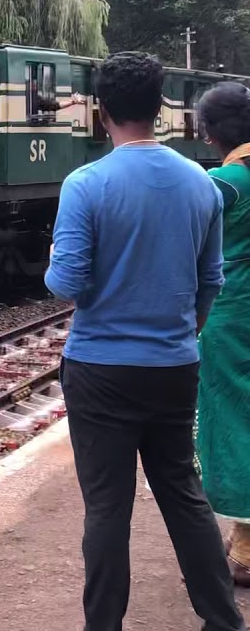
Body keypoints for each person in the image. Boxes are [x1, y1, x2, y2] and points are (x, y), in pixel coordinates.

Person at [45, 51, 245, 631]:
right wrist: (185, 333)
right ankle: (224, 621)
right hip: (174, 365)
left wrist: (56, 258)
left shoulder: (85, 184)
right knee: (183, 493)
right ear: (160, 108)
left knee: (108, 507)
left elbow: (66, 284)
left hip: (99, 368)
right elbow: (211, 279)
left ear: (100, 111)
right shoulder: (201, 184)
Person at [194, 81, 250, 586]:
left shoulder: (225, 182)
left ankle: (248, 549)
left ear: (208, 131)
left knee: (233, 417)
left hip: (234, 314)